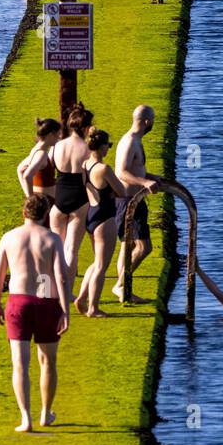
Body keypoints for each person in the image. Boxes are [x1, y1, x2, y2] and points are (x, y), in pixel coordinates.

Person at [0, 194, 69, 432]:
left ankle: (26, 418)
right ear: (45, 214)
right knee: (47, 361)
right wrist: (65, 310)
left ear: (24, 212)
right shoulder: (52, 239)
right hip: (46, 301)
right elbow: (61, 276)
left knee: (20, 364)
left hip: (18, 302)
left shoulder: (9, 238)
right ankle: (45, 413)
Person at [74, 129, 130, 317]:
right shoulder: (103, 169)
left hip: (91, 214)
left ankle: (81, 298)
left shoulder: (84, 165)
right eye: (108, 146)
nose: (109, 149)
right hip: (105, 217)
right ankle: (93, 308)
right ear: (102, 146)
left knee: (96, 262)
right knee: (101, 266)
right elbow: (122, 191)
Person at [112, 104, 164, 304]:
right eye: (153, 120)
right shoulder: (129, 142)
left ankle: (124, 290)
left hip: (134, 200)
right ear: (146, 121)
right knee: (144, 247)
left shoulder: (136, 141)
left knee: (128, 246)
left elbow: (136, 169)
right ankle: (120, 285)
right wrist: (144, 182)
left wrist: (151, 177)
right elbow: (121, 172)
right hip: (128, 202)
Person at [51, 104, 95, 295]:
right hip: (80, 198)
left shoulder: (57, 146)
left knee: (56, 249)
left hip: (59, 198)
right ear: (86, 128)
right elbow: (92, 175)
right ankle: (67, 292)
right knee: (71, 249)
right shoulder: (87, 149)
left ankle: (53, 289)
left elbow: (50, 167)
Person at [17, 117, 61, 199]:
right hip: (45, 203)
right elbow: (27, 176)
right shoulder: (41, 154)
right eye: (58, 135)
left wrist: (28, 195)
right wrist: (31, 199)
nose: (58, 139)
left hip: (44, 201)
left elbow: (20, 169)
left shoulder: (35, 150)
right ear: (51, 135)